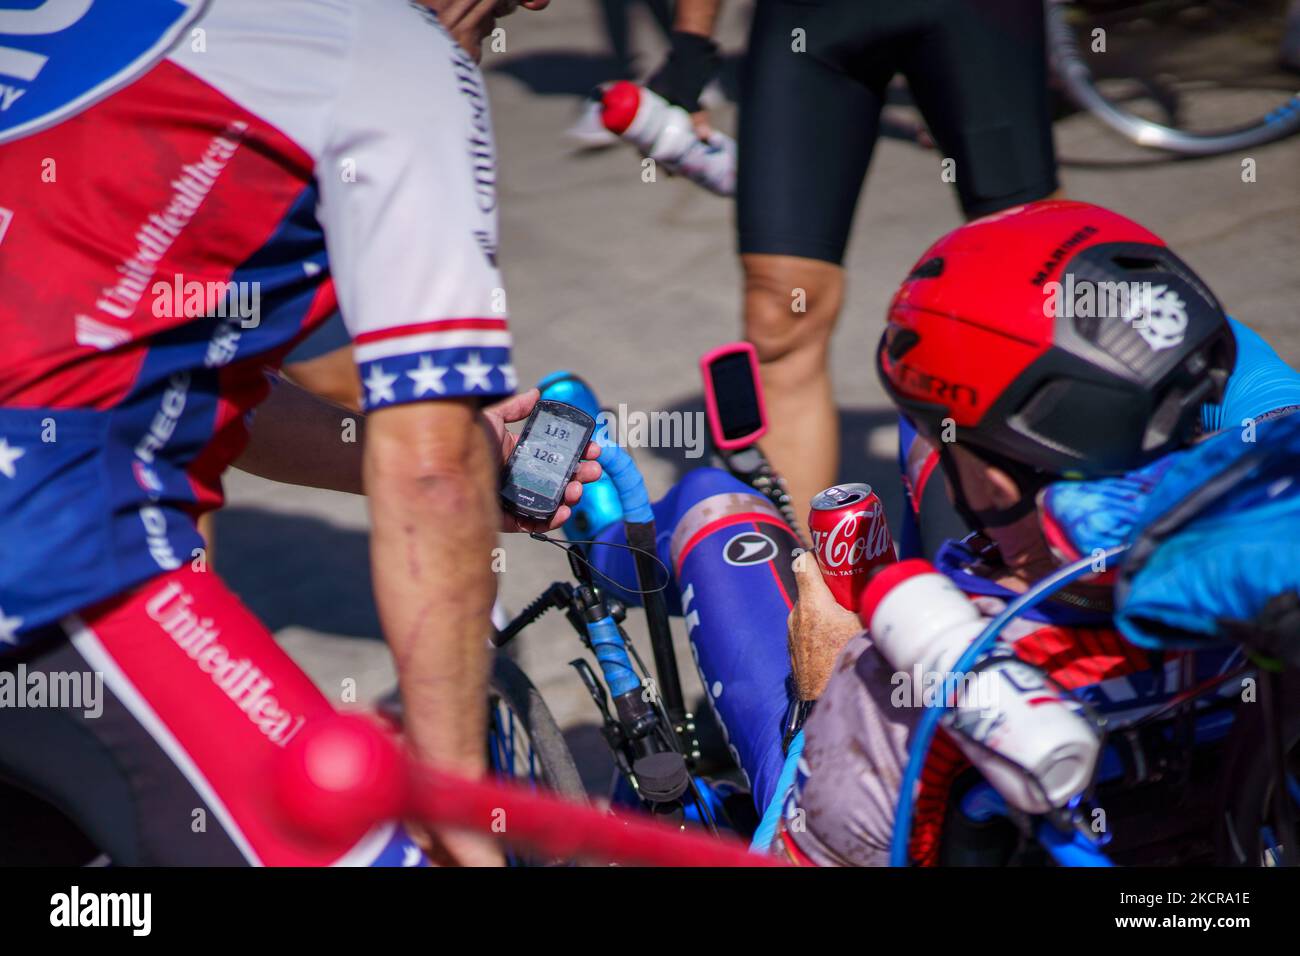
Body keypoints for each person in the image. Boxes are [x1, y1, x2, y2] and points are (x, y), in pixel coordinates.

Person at [0, 0, 604, 867]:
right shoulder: (395, 52)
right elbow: (432, 472)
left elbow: (192, 388)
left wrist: (457, 454)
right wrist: (453, 792)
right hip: (52, 546)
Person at [584, 201, 1300, 864]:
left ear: (989, 485)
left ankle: (606, 555)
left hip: (877, 766)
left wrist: (823, 690)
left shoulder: (900, 703)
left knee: (714, 501)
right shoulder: (1272, 566)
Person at [647, 0, 1060, 529]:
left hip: (971, 15)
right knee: (778, 312)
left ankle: (1060, 555)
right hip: (814, 20)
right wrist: (690, 43)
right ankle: (808, 587)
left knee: (1032, 278)